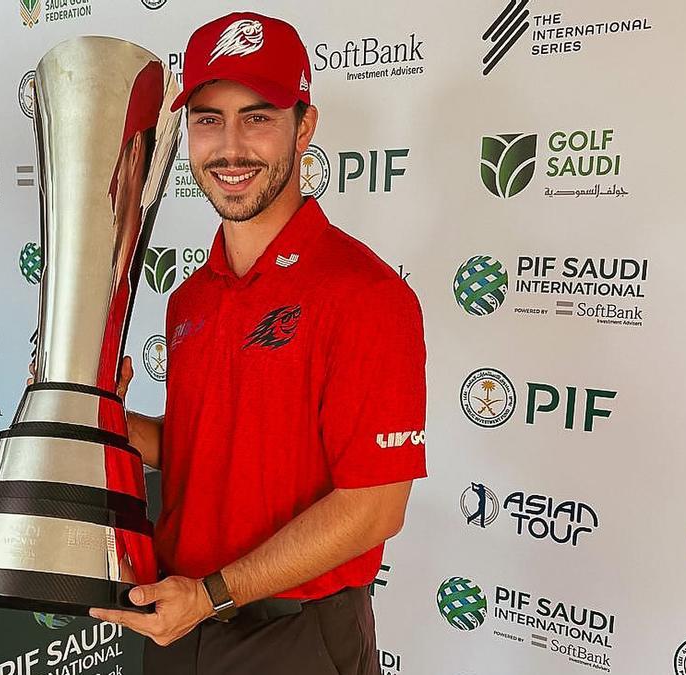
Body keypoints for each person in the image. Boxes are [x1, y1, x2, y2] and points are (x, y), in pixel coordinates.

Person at [76, 12, 428, 674]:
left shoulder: (367, 294)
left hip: (292, 639)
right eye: (209, 119)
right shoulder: (191, 299)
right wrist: (110, 422)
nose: (230, 147)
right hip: (177, 626)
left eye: (257, 117)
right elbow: (206, 451)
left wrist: (211, 594)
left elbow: (374, 506)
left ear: (305, 126)